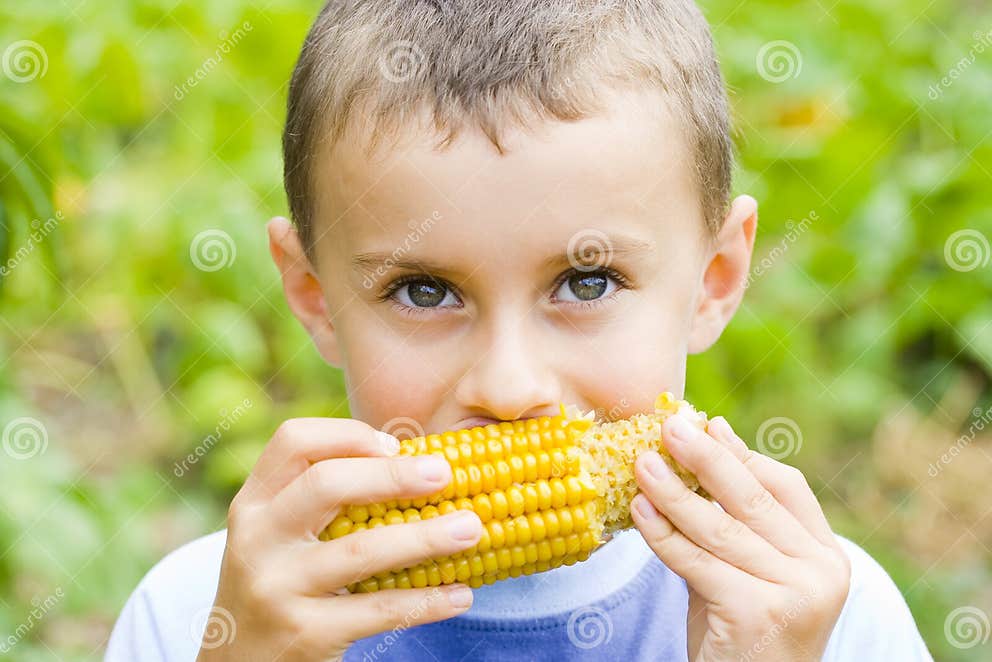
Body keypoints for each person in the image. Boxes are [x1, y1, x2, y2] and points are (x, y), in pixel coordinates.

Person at [106, 1, 933, 659]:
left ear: (713, 281)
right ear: (316, 296)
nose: (508, 387)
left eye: (586, 281)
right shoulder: (200, 619)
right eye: (424, 291)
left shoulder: (825, 621)